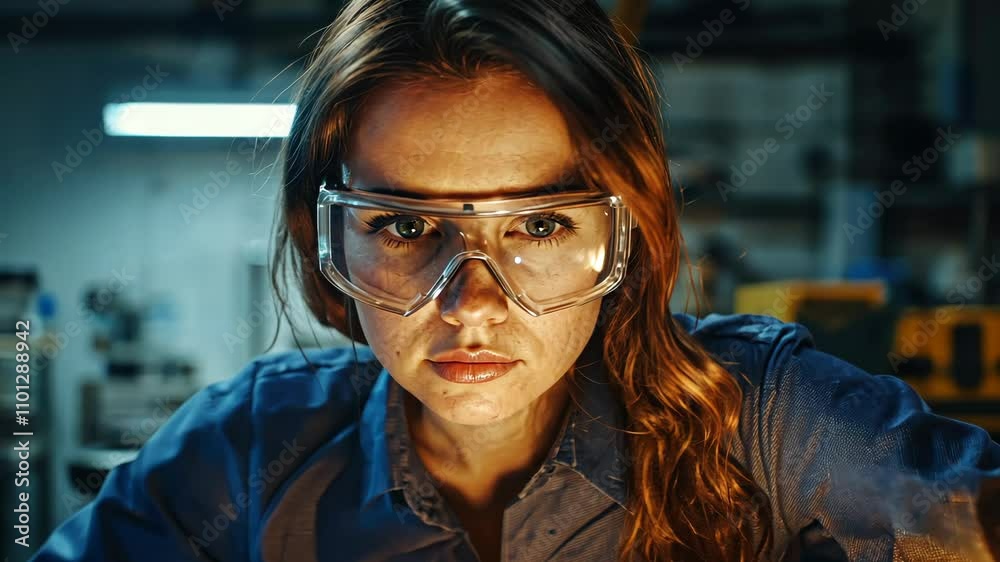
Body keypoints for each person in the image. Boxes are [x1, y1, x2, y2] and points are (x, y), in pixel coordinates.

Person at [30, 0, 1000, 561]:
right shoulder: (250, 450)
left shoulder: (760, 418)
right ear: (325, 238)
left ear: (624, 236)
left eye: (536, 223)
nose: (474, 300)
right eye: (406, 225)